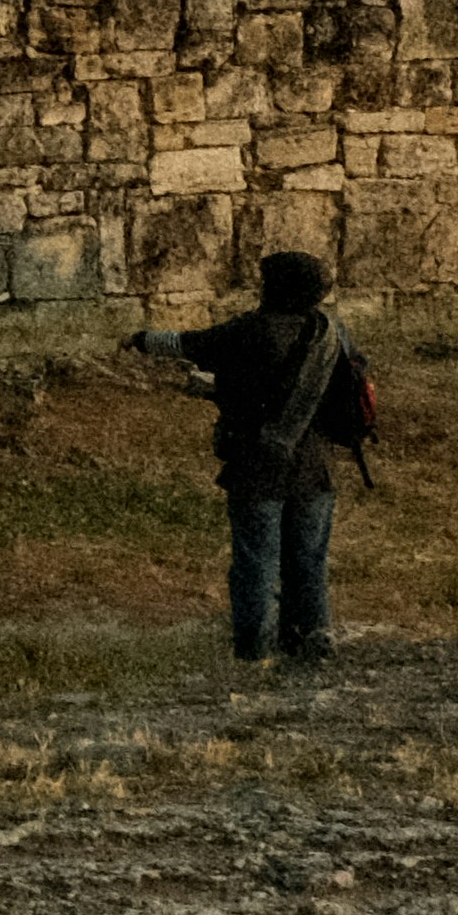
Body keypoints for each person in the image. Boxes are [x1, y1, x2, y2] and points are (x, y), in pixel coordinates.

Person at [131, 248, 379, 668]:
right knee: (309, 561)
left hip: (257, 464)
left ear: (275, 287)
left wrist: (139, 340)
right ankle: (312, 641)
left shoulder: (252, 330)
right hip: (315, 466)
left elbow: (188, 344)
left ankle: (256, 652)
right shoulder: (332, 333)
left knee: (257, 564)